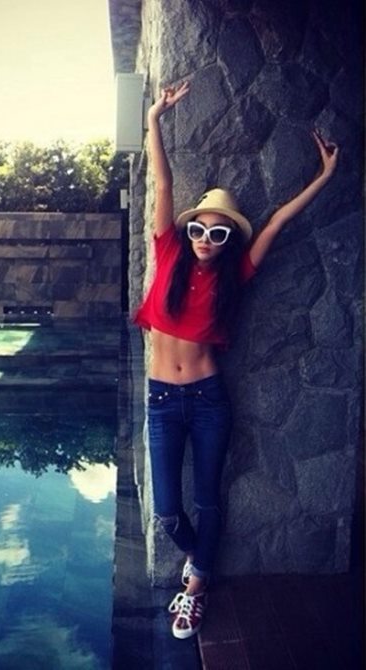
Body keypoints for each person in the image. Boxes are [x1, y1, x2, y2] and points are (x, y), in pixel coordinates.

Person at [133, 80, 339, 640]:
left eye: (218, 232)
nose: (206, 236)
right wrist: (153, 118)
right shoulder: (168, 250)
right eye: (199, 227)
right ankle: (199, 559)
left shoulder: (234, 275)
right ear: (189, 229)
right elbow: (162, 181)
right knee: (168, 511)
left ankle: (195, 590)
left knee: (208, 499)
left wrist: (324, 177)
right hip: (161, 400)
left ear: (228, 239)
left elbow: (276, 224)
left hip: (207, 399)